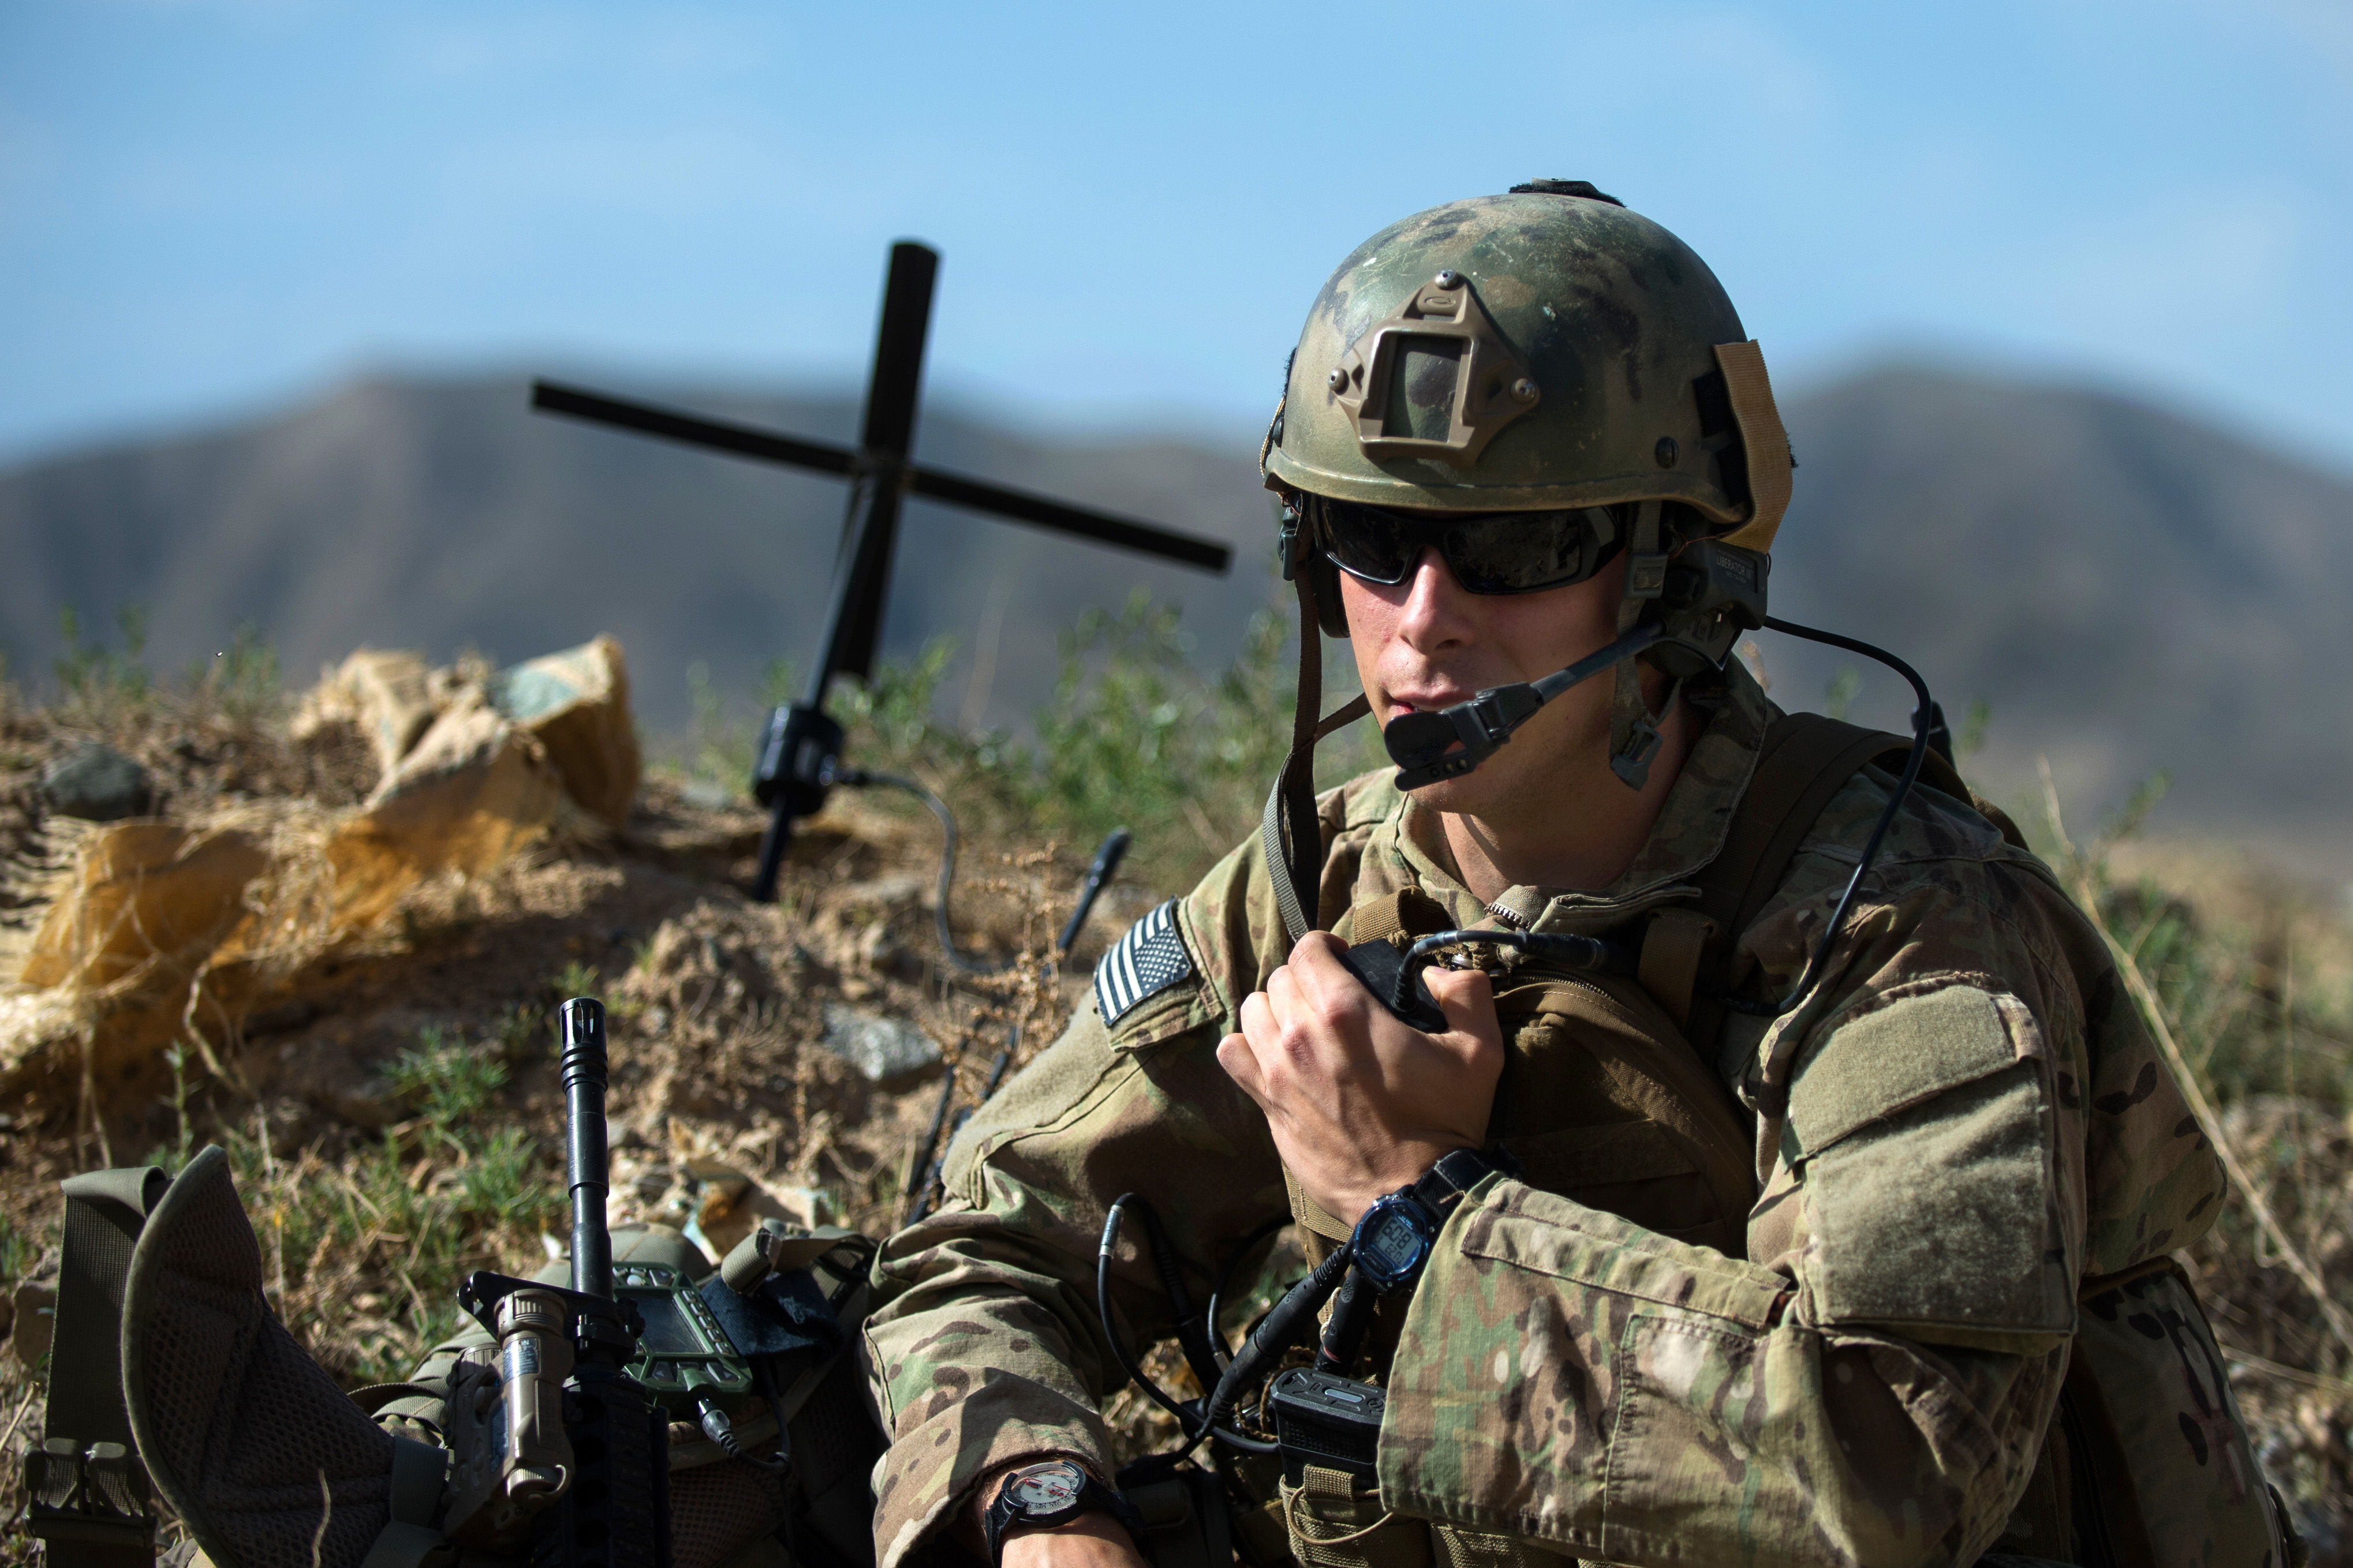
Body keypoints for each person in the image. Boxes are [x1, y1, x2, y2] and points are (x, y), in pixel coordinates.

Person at [861, 185, 2295, 1568]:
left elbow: (1900, 1466)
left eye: (1514, 548)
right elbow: (975, 1249)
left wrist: (1412, 1217)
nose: (1423, 622)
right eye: (1374, 540)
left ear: (1674, 575)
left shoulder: (1895, 916)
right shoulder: (1314, 887)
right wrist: (1036, 1497)